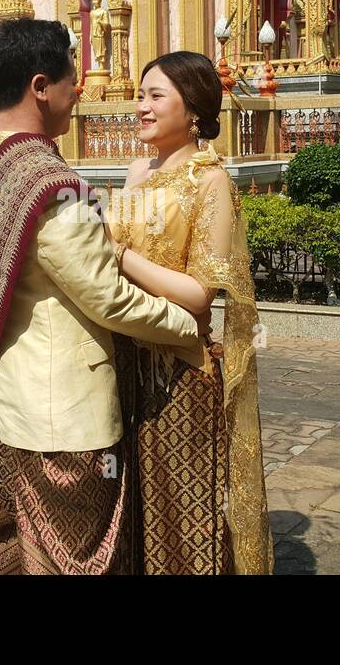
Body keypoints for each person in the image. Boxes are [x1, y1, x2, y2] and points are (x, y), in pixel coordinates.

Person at [0, 20, 209, 575]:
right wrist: (186, 327)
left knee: (24, 554)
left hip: (9, 407)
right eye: (72, 75)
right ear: (40, 86)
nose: (81, 88)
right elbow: (110, 301)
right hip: (64, 427)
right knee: (78, 561)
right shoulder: (52, 189)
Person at [104, 50, 274, 575]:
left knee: (182, 519)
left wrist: (120, 256)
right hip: (121, 364)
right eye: (140, 95)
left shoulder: (211, 181)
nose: (142, 107)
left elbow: (201, 293)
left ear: (194, 109)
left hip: (179, 374)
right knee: (130, 512)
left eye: (156, 96)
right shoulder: (137, 170)